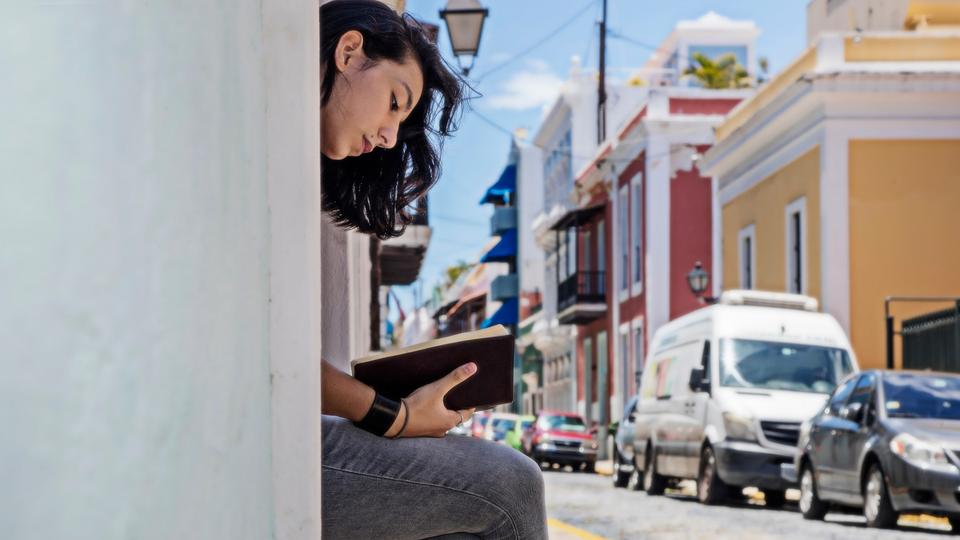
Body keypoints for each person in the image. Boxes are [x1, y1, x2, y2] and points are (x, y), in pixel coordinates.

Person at [318, 2, 547, 539]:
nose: (391, 137)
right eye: (395, 102)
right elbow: (275, 362)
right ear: (349, 52)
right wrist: (395, 417)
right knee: (509, 487)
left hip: (299, 430)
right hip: (264, 444)